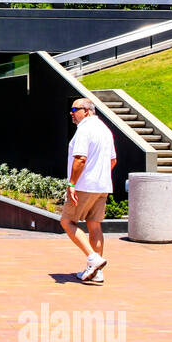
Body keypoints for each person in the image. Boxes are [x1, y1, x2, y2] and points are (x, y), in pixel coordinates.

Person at [61, 97, 117, 285]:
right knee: (94, 225)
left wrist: (72, 184)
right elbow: (113, 161)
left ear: (87, 110)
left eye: (74, 109)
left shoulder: (84, 129)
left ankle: (93, 258)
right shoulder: (105, 130)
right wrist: (100, 176)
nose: (71, 113)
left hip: (84, 185)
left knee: (67, 221)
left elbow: (80, 158)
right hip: (102, 186)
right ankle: (97, 272)